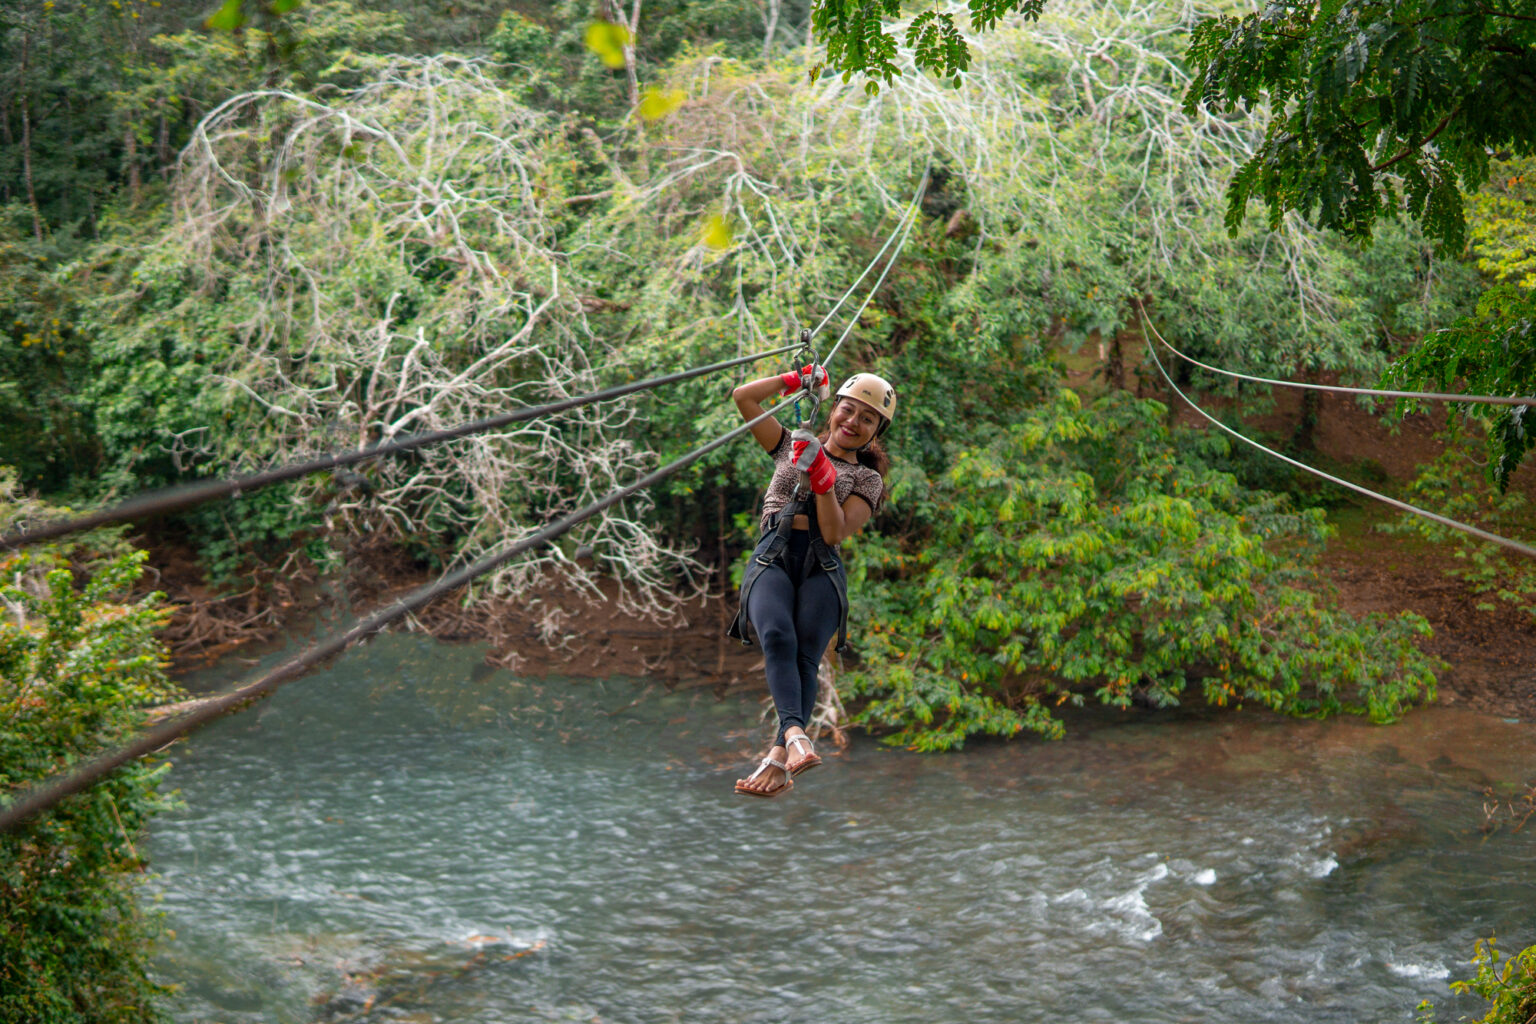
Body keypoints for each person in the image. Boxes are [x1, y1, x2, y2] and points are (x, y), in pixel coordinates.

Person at [727, 365, 895, 797]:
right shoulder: (789, 444)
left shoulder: (867, 479)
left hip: (821, 564)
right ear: (833, 407)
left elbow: (836, 532)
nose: (853, 422)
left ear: (876, 431)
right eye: (848, 409)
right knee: (777, 635)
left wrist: (823, 476)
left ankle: (782, 752)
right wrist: (795, 378)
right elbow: (744, 398)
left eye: (867, 418)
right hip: (775, 555)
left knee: (805, 657)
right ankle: (794, 740)